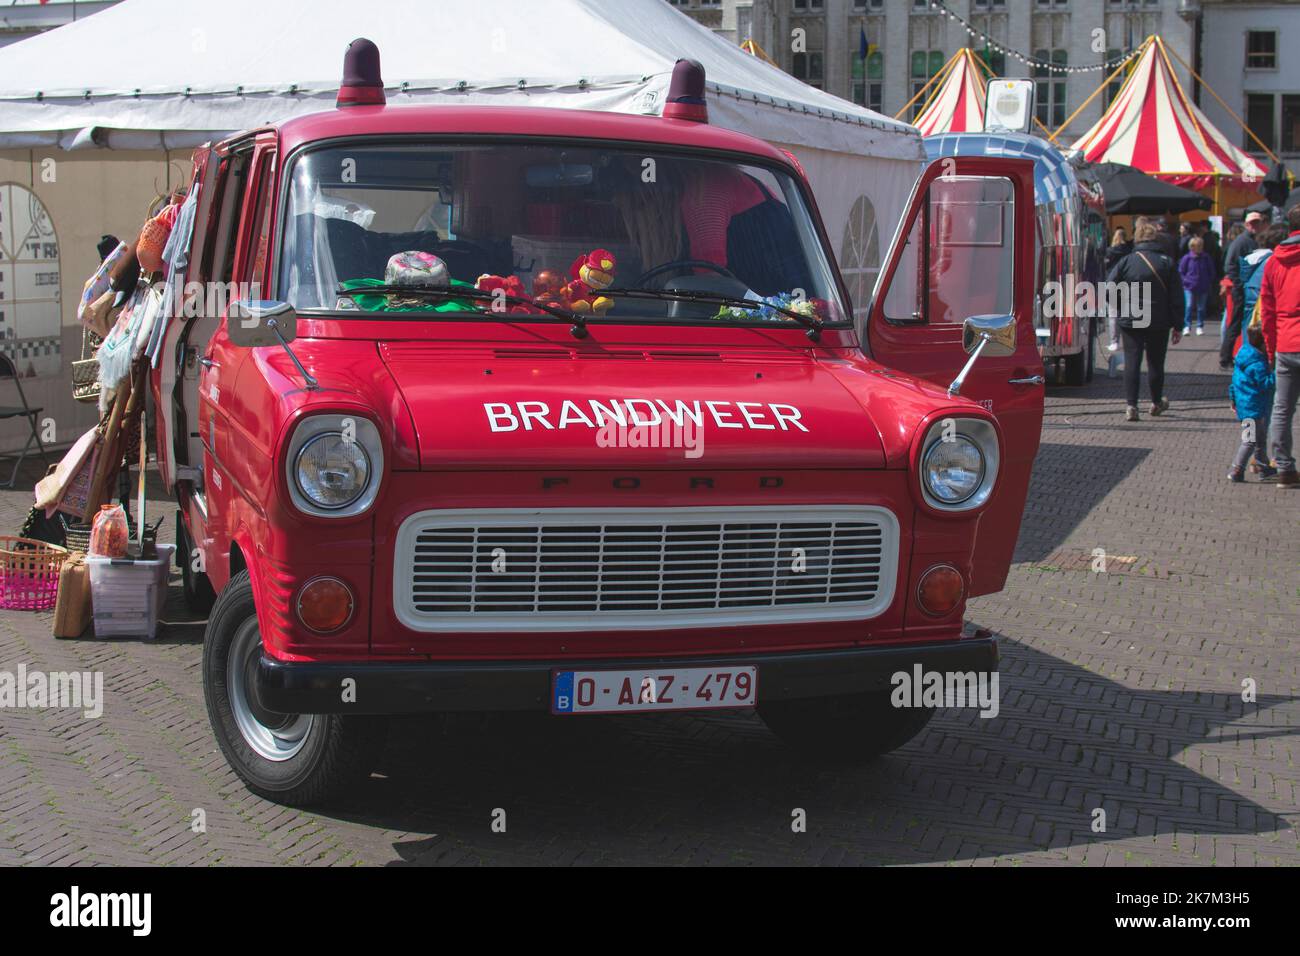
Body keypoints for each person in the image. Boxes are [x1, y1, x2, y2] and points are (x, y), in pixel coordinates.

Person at [1106, 221, 1185, 421]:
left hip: (1131, 317)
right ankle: (1156, 402)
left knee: (1132, 362)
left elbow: (1109, 287)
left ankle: (1131, 405)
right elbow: (1177, 296)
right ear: (1155, 239)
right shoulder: (1167, 262)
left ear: (1138, 238)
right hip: (1159, 319)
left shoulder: (1127, 261)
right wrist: (1178, 324)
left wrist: (1120, 305)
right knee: (1156, 363)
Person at [1260, 204, 1300, 488]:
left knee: (1282, 408)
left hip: (1286, 341)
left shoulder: (1274, 261)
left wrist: (1272, 349)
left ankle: (1284, 467)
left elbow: (1267, 311)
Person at [1228, 324, 1276, 482]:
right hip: (1253, 409)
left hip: (1245, 407)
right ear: (1263, 343)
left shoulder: (1243, 357)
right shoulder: (1258, 365)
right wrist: (1277, 373)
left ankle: (1263, 466)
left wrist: (1233, 399)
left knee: (1260, 440)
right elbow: (1266, 384)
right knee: (1249, 441)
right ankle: (1237, 468)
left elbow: (1234, 382)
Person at [1220, 211, 1267, 367]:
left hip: (1244, 288)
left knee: (1240, 322)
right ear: (1246, 224)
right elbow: (1230, 265)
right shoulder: (1242, 241)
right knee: (1236, 323)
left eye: (1257, 223)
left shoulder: (1251, 240)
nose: (1255, 226)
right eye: (1252, 223)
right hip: (1241, 290)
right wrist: (1240, 285)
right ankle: (1225, 357)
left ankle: (1229, 356)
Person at [1179, 235, 1214, 335]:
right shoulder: (1187, 258)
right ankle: (1187, 326)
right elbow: (1181, 271)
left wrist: (1208, 281)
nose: (1198, 248)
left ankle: (1200, 325)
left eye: (1200, 246)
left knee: (1201, 307)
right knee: (1188, 306)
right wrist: (1185, 281)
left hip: (1203, 286)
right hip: (1189, 286)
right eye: (1196, 246)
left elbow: (1211, 270)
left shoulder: (1206, 258)